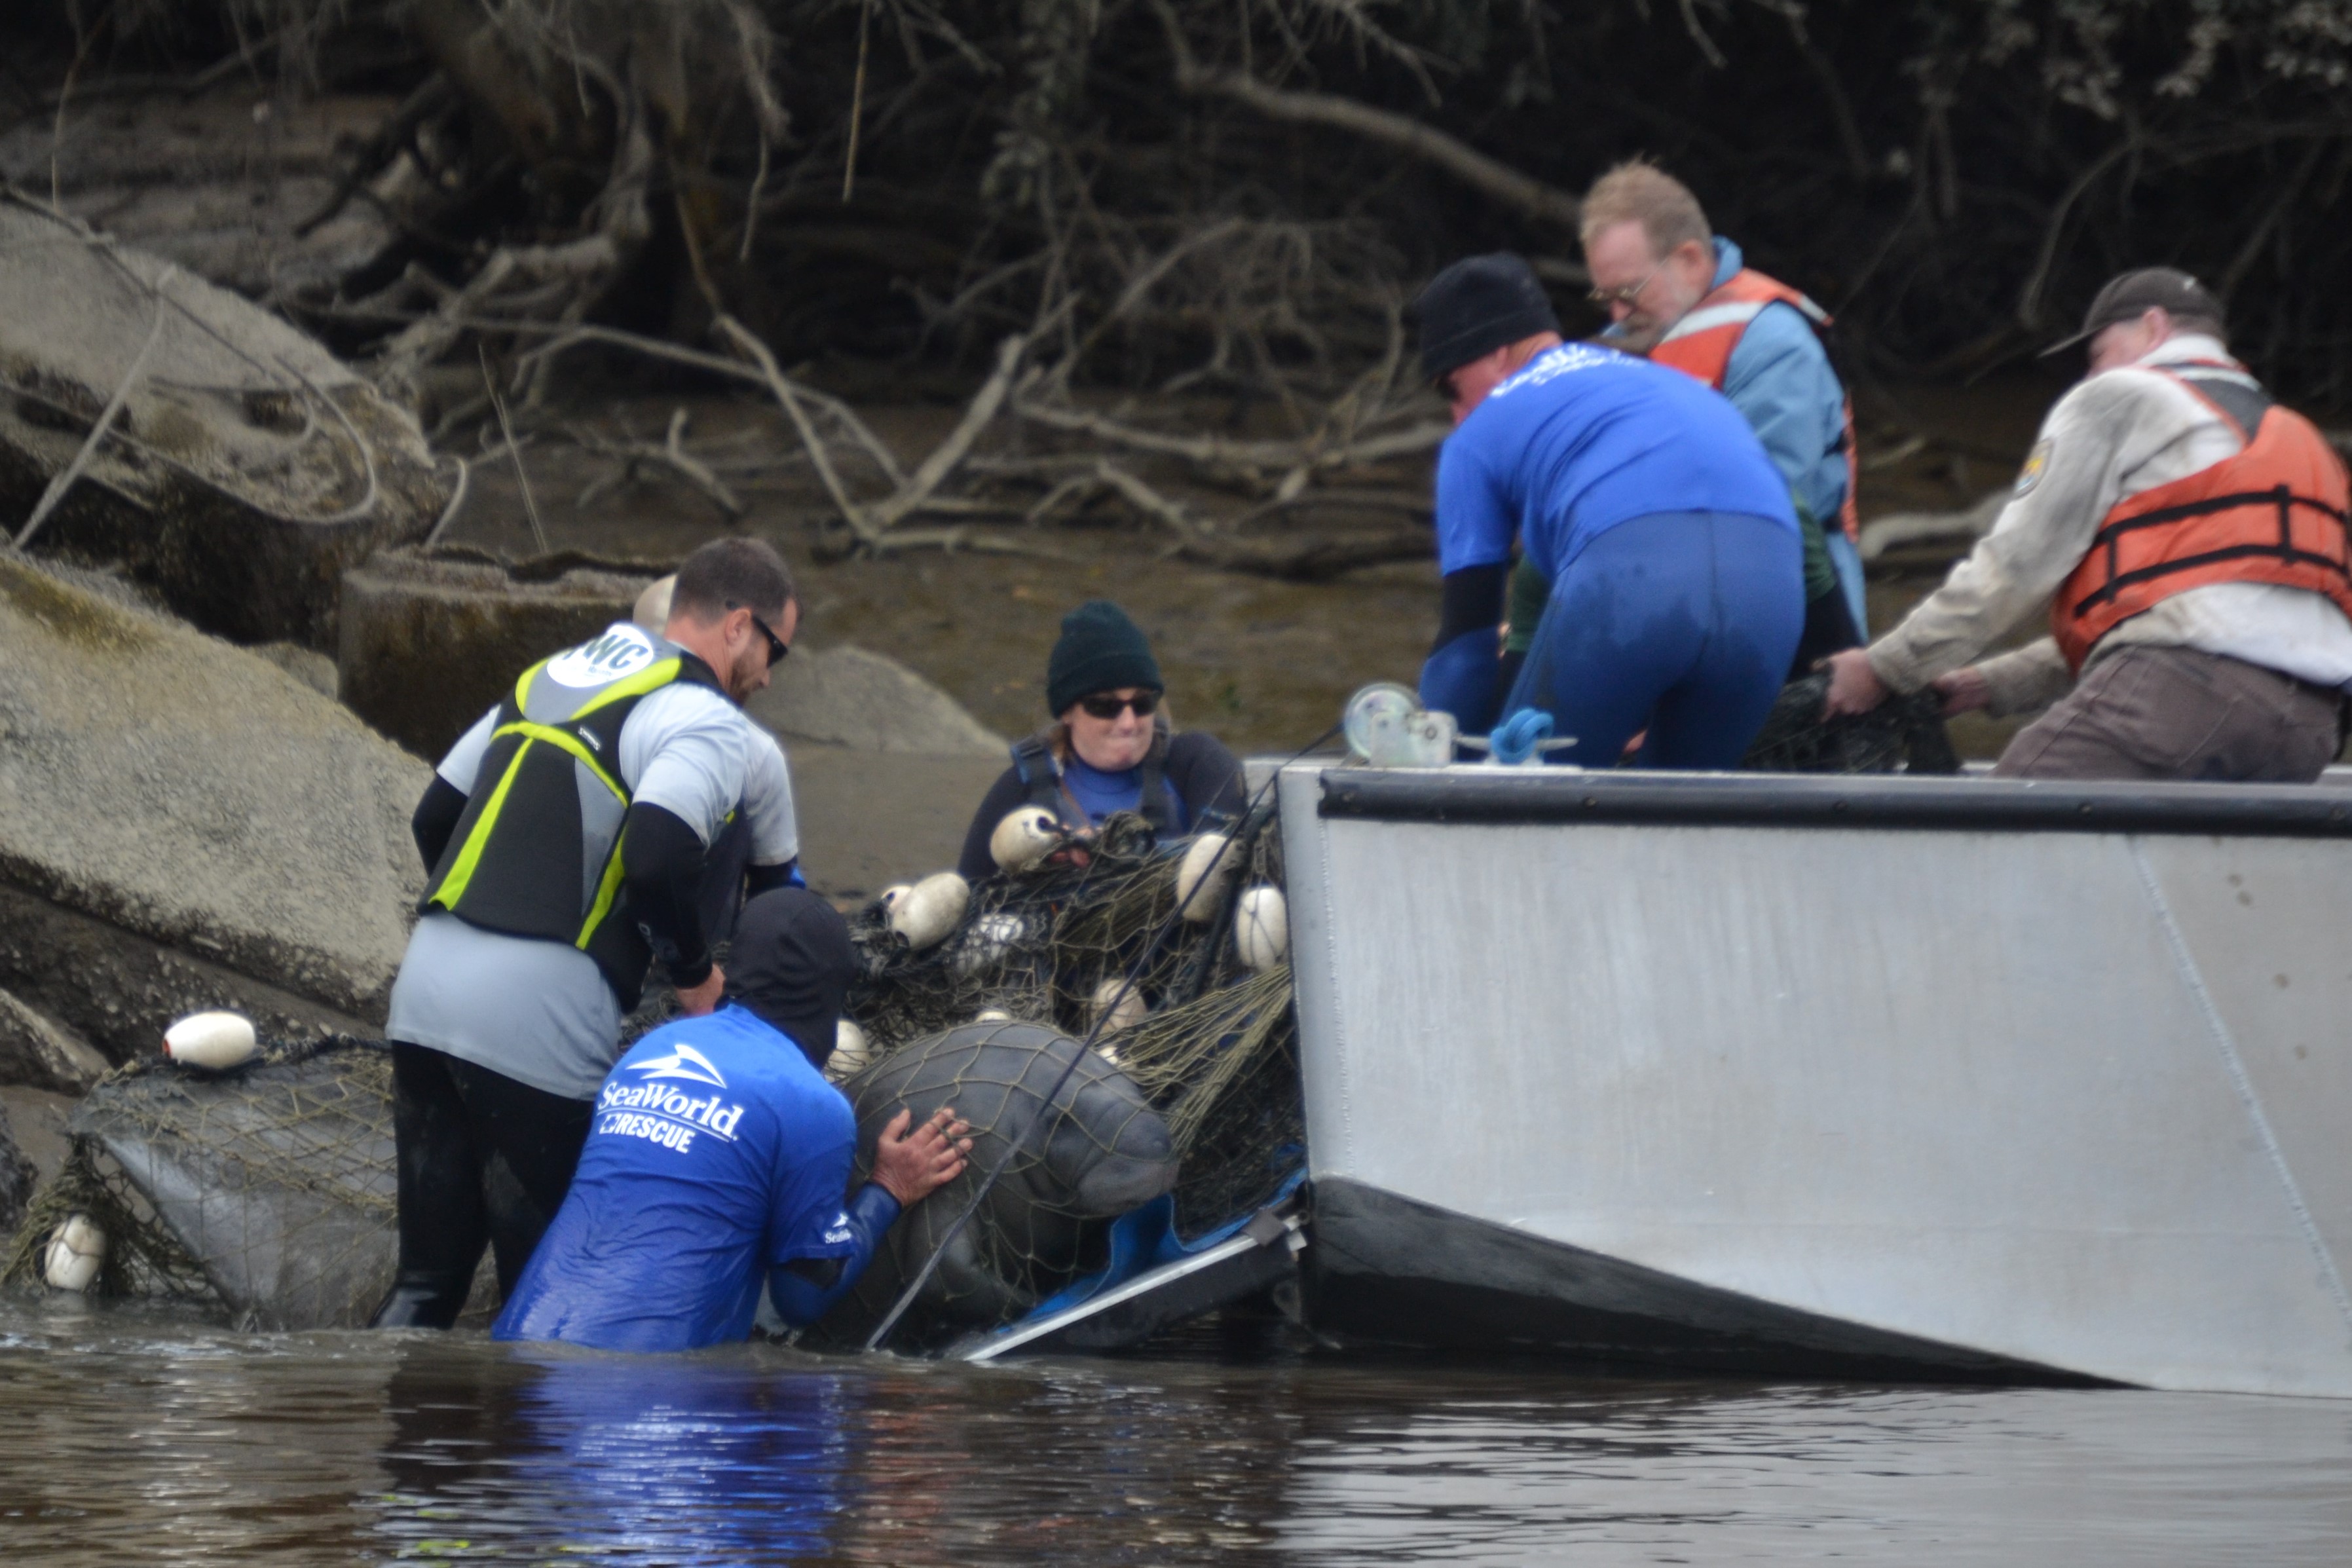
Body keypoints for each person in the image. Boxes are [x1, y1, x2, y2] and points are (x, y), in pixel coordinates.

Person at [371, 537, 807, 1329]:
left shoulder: (554, 673)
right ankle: (523, 1460)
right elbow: (657, 853)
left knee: (425, 1287)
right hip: (538, 1016)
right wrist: (693, 976)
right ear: (739, 626)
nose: (770, 675)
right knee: (543, 1310)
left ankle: (411, 1454)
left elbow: (435, 812)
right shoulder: (703, 715)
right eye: (776, 648)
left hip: (425, 992)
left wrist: (490, 915)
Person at [1823, 269, 2352, 783]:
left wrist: (1885, 669)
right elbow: (2196, 613)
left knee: (1990, 835)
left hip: (2183, 694)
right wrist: (1987, 684)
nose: (2090, 375)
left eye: (2096, 354)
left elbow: (2015, 566)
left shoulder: (2119, 395)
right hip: (2307, 727)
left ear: (2152, 327)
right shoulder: (2297, 438)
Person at [493, 889, 972, 1352]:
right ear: (830, 989)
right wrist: (888, 1188)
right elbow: (801, 1298)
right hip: (637, 1382)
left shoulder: (651, 1052)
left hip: (521, 1348)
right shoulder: (812, 1104)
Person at [1414, 252, 1806, 769]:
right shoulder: (1663, 380)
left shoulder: (1476, 438)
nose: (1457, 414)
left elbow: (1464, 648)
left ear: (1500, 355)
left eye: (1451, 388)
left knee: (1523, 814)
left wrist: (1435, 760)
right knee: (1685, 825)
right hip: (1772, 588)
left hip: (1632, 585)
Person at [1579, 158, 1868, 667]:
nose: (1616, 316)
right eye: (1605, 297)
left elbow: (1762, 514)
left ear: (1689, 260)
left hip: (1790, 613)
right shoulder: (1628, 342)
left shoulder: (1774, 346)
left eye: (1628, 292)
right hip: (1668, 605)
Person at [956, 600, 1244, 879]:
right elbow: (966, 896)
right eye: (1106, 707)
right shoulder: (1021, 789)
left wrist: (1106, 852)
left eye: (1142, 703)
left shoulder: (1196, 763)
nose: (1129, 723)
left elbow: (1227, 858)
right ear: (1067, 711)